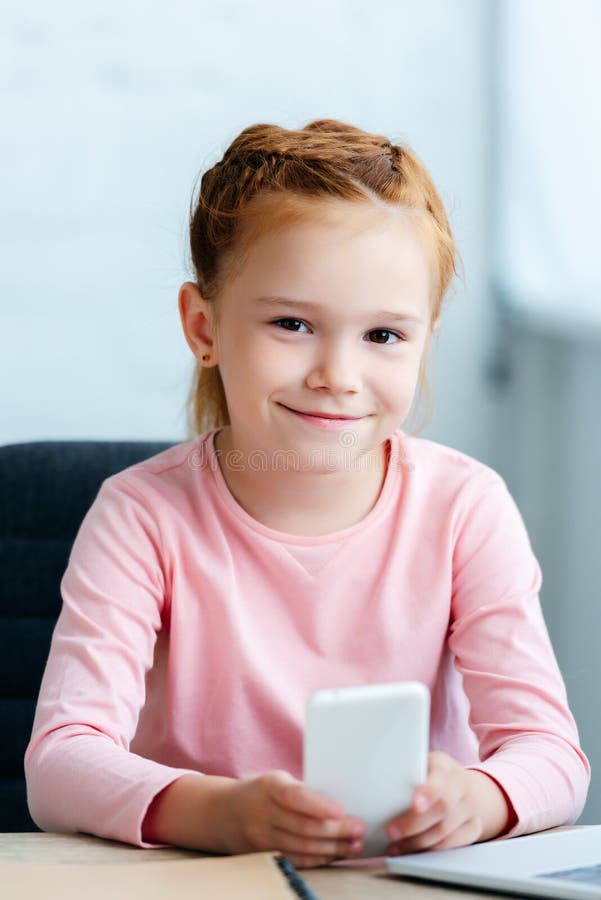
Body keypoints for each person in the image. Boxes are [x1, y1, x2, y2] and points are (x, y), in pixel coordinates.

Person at [24, 118, 590, 870]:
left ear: (426, 337)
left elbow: (550, 755)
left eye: (383, 336)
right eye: (292, 323)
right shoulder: (141, 517)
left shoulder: (465, 507)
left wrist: (479, 798)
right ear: (204, 327)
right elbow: (61, 762)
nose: (337, 374)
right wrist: (226, 815)